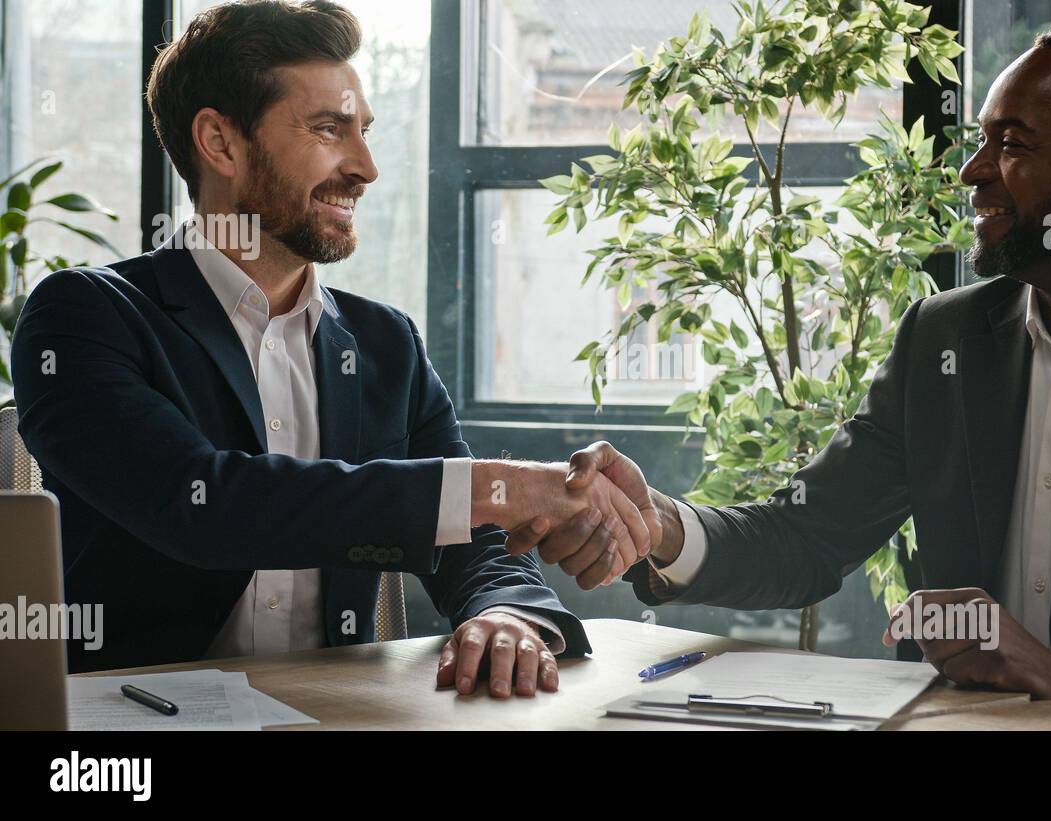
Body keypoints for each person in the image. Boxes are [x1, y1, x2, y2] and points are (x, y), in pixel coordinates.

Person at [509, 28, 1051, 729]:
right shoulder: (946, 338)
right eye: (982, 140)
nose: (972, 173)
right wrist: (662, 525)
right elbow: (808, 535)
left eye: (1014, 145)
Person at [10, 0, 655, 698]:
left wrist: (504, 611)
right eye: (328, 129)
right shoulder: (84, 318)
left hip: (340, 713)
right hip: (131, 725)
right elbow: (204, 505)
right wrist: (503, 485)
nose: (367, 167)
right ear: (220, 143)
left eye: (365, 132)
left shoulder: (387, 345)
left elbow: (475, 543)